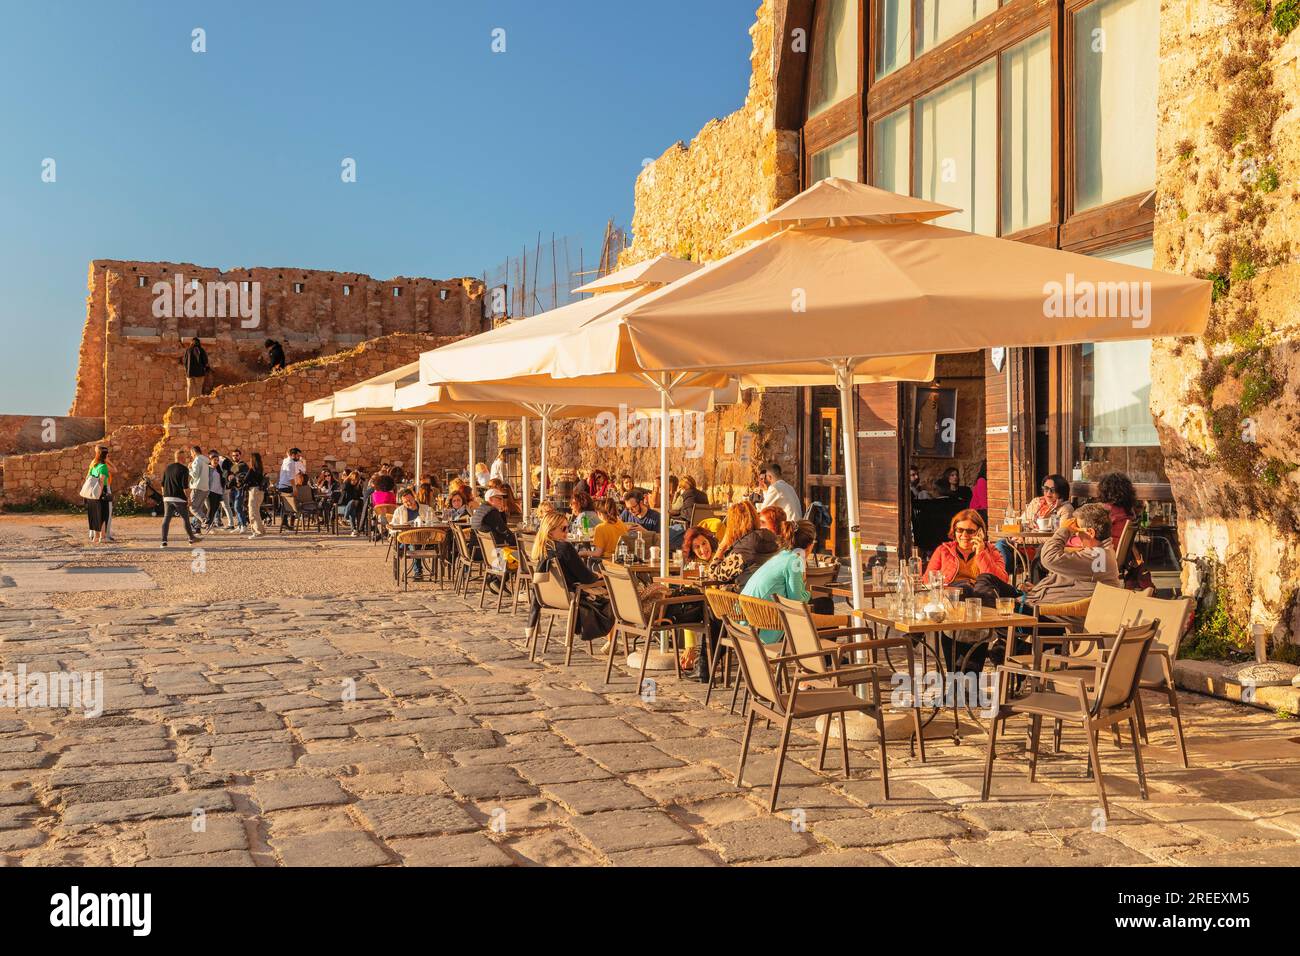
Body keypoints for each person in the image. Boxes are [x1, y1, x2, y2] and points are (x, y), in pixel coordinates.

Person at [741, 521, 846, 643]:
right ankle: (825, 656)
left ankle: (817, 653)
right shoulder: (795, 561)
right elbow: (797, 600)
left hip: (748, 621)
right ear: (810, 544)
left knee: (818, 605)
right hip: (765, 624)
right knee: (825, 604)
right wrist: (809, 593)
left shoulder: (780, 556)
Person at [994, 473, 1075, 572]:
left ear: (1061, 492)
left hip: (1044, 547)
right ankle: (1002, 577)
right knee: (1000, 544)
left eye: (1052, 490)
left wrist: (1026, 539)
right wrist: (1015, 533)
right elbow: (1022, 521)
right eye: (1046, 488)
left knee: (1039, 553)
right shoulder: (1036, 502)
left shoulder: (1065, 508)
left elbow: (1059, 535)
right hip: (1024, 545)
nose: (1048, 493)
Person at [701, 501, 780, 590]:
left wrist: (722, 546)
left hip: (746, 600)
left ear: (732, 524)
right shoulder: (772, 540)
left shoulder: (743, 549)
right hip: (771, 597)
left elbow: (714, 575)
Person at [160, 450, 201, 547]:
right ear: (181, 458)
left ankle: (163, 541)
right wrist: (188, 499)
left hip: (167, 497)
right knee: (185, 519)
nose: (186, 458)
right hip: (179, 498)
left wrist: (164, 495)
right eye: (185, 457)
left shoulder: (168, 468)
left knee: (166, 519)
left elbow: (162, 484)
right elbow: (184, 487)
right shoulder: (184, 469)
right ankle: (191, 538)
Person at [84, 445, 111, 544]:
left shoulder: (94, 465)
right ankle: (102, 537)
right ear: (105, 456)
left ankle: (96, 537)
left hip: (91, 493)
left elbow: (88, 477)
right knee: (103, 515)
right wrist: (99, 493)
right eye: (108, 455)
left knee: (94, 515)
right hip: (100, 492)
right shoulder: (103, 466)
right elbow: (101, 480)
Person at [180, 337, 209, 401]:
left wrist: (186, 370)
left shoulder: (188, 350)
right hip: (199, 373)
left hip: (190, 373)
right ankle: (197, 402)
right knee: (198, 388)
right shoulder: (201, 350)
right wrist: (206, 368)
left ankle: (189, 403)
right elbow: (205, 362)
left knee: (190, 388)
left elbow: (184, 361)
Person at [245, 452, 268, 537]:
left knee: (253, 512)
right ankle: (261, 531)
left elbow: (245, 480)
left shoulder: (252, 470)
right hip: (260, 491)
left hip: (254, 491)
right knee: (256, 511)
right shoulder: (260, 470)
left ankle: (258, 532)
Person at [188, 445, 210, 528]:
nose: (191, 455)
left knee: (192, 507)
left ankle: (204, 519)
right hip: (205, 487)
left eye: (191, 453)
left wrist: (189, 468)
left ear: (194, 452)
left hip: (197, 487)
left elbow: (195, 475)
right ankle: (197, 528)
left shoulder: (197, 461)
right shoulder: (205, 460)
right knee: (199, 508)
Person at [228, 449, 250, 533]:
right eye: (233, 455)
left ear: (240, 455)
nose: (234, 457)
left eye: (236, 455)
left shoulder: (243, 465)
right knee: (235, 507)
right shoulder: (234, 465)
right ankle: (240, 525)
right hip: (233, 489)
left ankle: (244, 525)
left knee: (238, 507)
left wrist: (231, 474)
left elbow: (234, 471)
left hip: (240, 489)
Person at [339, 469, 364, 535]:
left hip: (355, 503)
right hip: (346, 503)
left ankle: (345, 519)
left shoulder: (358, 486)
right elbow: (344, 496)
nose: (355, 482)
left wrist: (356, 500)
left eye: (356, 480)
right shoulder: (346, 484)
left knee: (353, 503)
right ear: (350, 478)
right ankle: (354, 529)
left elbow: (360, 496)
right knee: (352, 509)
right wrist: (354, 500)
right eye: (353, 480)